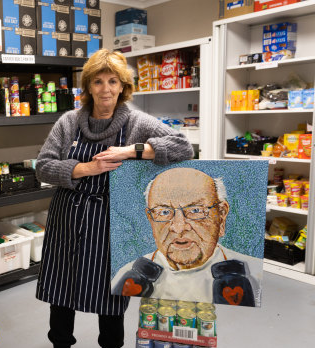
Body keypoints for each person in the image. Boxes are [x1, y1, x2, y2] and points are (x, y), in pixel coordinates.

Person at [35, 48, 194, 348]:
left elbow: (183, 146)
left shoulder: (137, 122)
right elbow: (43, 167)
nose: (105, 89)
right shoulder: (68, 122)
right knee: (61, 289)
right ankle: (60, 342)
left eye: (112, 81)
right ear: (88, 87)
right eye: (98, 82)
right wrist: (86, 168)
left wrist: (131, 150)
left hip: (113, 220)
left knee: (111, 292)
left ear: (123, 86)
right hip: (67, 218)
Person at [110, 167, 262, 307]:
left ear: (221, 216)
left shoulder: (255, 274)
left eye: (196, 210)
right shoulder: (127, 276)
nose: (179, 227)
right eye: (164, 212)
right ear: (150, 219)